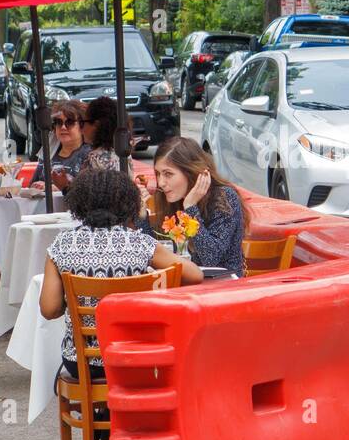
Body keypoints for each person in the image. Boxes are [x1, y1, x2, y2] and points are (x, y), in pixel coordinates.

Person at [40, 168, 201, 381]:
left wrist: (72, 301)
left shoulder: (62, 245)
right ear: (127, 203)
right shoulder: (140, 243)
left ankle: (95, 412)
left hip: (80, 362)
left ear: (79, 203)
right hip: (133, 357)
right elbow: (195, 275)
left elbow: (49, 310)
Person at [143, 136, 248, 277]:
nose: (161, 182)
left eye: (168, 174)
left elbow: (210, 258)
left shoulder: (224, 197)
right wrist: (141, 216)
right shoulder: (176, 200)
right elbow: (154, 254)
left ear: (190, 171)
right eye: (158, 174)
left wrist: (191, 208)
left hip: (223, 287)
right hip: (187, 284)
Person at [32, 99, 91, 191]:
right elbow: (31, 184)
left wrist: (55, 188)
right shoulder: (48, 152)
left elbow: (87, 191)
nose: (63, 127)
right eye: (58, 122)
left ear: (82, 126)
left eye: (70, 122)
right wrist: (36, 186)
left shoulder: (90, 154)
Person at [81, 96, 120, 172]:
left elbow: (88, 184)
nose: (81, 129)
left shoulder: (95, 158)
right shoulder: (123, 154)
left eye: (83, 123)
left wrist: (64, 184)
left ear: (96, 125)